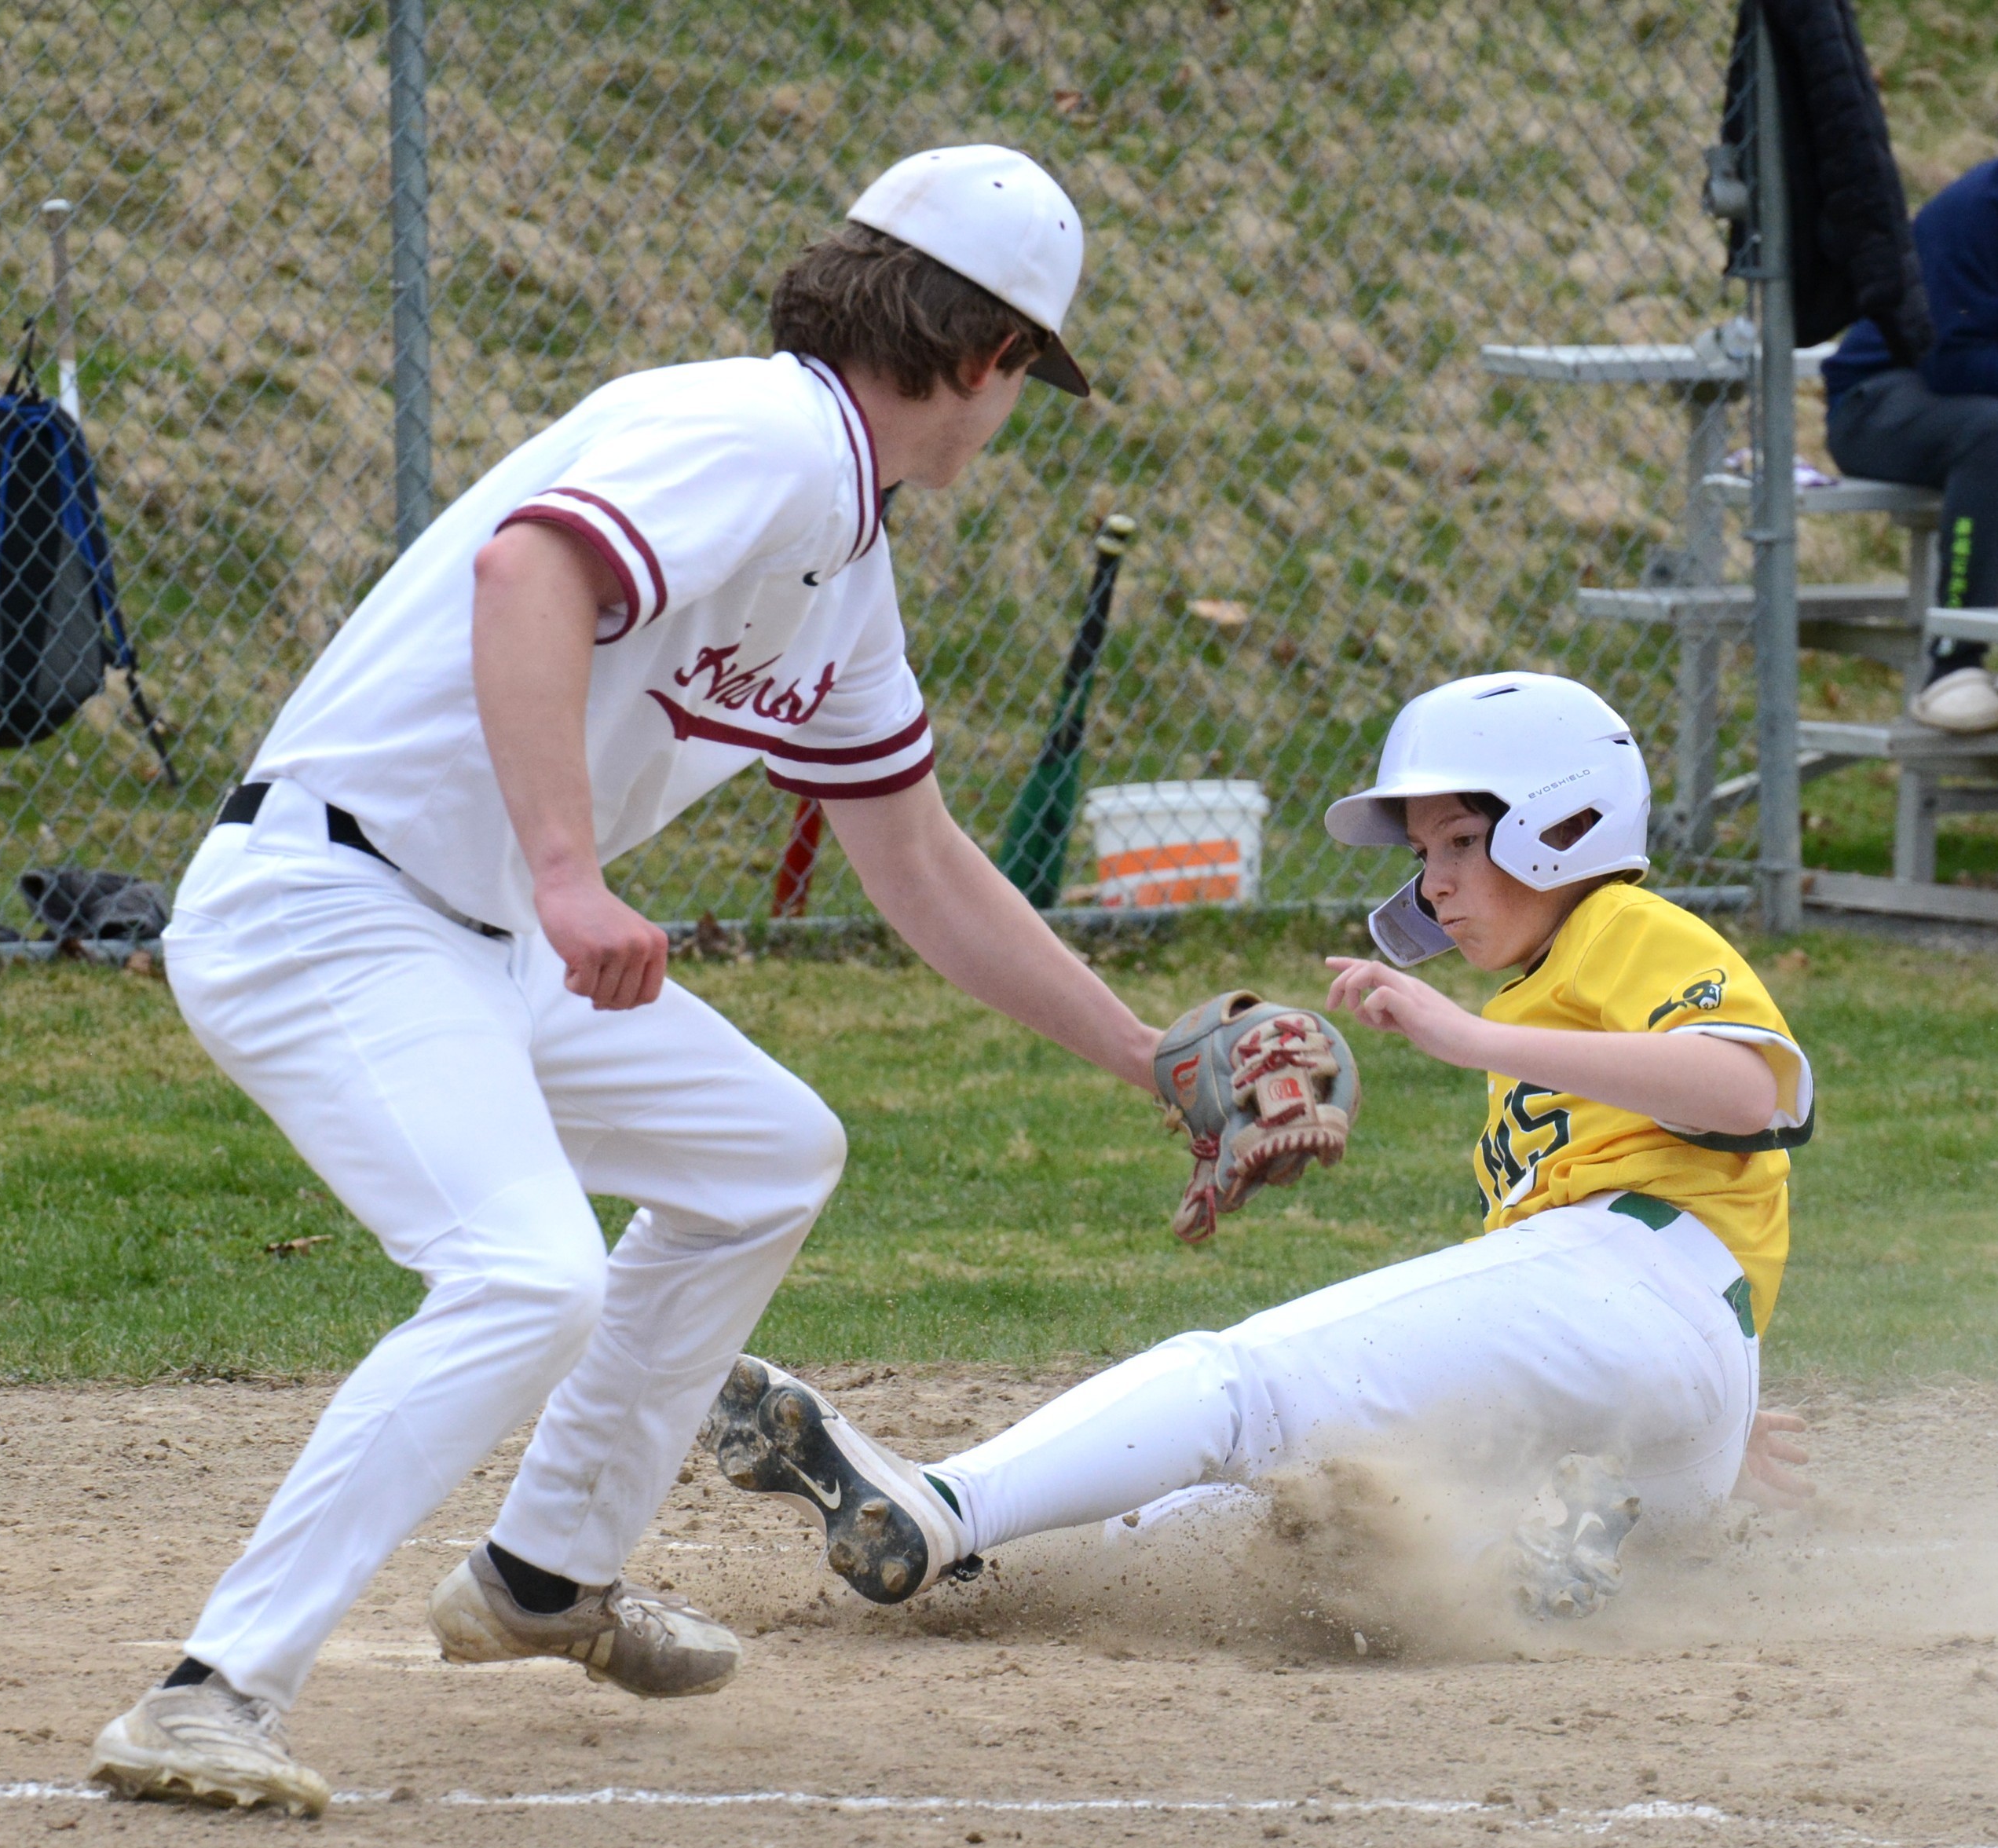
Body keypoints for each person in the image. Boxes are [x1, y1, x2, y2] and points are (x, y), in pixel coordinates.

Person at [87, 145, 1167, 1817]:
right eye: (1027, 376)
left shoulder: (843, 555)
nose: (1008, 415)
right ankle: (212, 1687)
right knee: (526, 1277)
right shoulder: (763, 431)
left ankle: (540, 1575)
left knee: (760, 1154)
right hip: (331, 903)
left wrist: (1155, 1060)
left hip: (471, 936)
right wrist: (573, 867)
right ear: (983, 356)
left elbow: (924, 864)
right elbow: (533, 569)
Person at [705, 673, 1817, 1624]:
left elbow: (1742, 1090)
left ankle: (941, 1505)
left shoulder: (1622, 926)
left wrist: (1458, 1031)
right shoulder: (1544, 995)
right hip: (1661, 1388)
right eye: (1426, 850)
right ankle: (1007, 1568)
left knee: (1243, 1388)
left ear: (1563, 823)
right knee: (1298, 1497)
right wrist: (1697, 1386)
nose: (1431, 880)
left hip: (1641, 1291)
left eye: (1463, 841)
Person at [1824, 157, 1998, 732]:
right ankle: (1955, 659)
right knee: (1990, 432)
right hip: (1875, 403)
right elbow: (1950, 363)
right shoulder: (1975, 210)